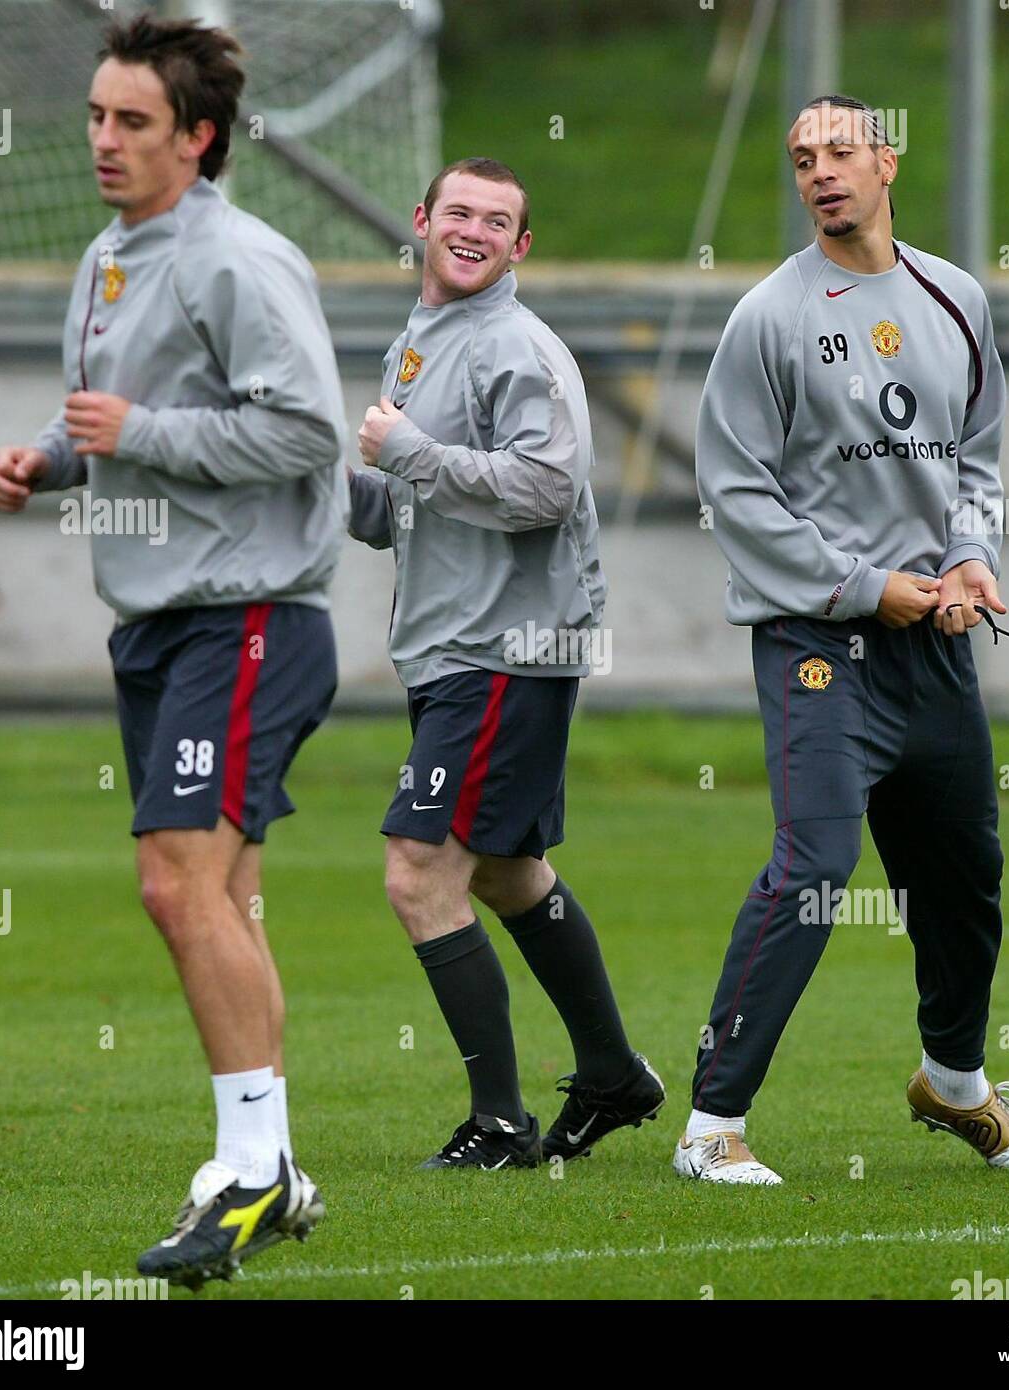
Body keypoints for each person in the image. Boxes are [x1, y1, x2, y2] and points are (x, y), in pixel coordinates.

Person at [0, 15, 349, 1281]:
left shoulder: (244, 260)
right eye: (94, 115)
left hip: (247, 616)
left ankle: (249, 1171)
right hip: (157, 617)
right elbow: (119, 408)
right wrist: (56, 451)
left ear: (197, 137)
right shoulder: (107, 254)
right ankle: (276, 1163)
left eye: (131, 121)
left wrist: (135, 433)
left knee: (172, 881)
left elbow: (307, 432)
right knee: (222, 897)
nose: (101, 139)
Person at [676, 95, 1009, 1184]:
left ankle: (952, 1086)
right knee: (815, 867)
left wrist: (972, 555)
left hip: (934, 644)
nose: (819, 172)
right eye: (801, 159)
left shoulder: (955, 296)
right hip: (816, 642)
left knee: (963, 873)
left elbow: (972, 455)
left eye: (839, 151)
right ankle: (711, 1127)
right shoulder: (766, 315)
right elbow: (734, 492)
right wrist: (860, 585)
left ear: (886, 159)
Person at [349, 157, 663, 1170]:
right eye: (459, 212)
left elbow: (538, 488)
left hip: (508, 647)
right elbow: (409, 502)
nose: (474, 229)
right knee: (503, 869)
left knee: (417, 869)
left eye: (498, 220)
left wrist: (400, 456)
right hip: (452, 648)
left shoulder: (516, 348)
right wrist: (327, 488)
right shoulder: (420, 342)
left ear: (520, 246)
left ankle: (497, 1119)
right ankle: (614, 1073)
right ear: (423, 221)